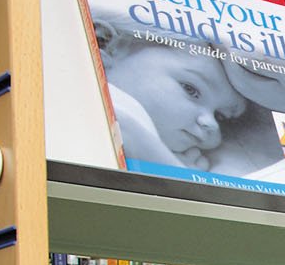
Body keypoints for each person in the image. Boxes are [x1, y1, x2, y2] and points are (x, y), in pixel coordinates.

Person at [96, 24, 248, 172]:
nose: (212, 124)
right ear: (105, 42)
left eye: (220, 117)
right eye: (191, 90)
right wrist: (175, 171)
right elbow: (126, 131)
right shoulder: (111, 103)